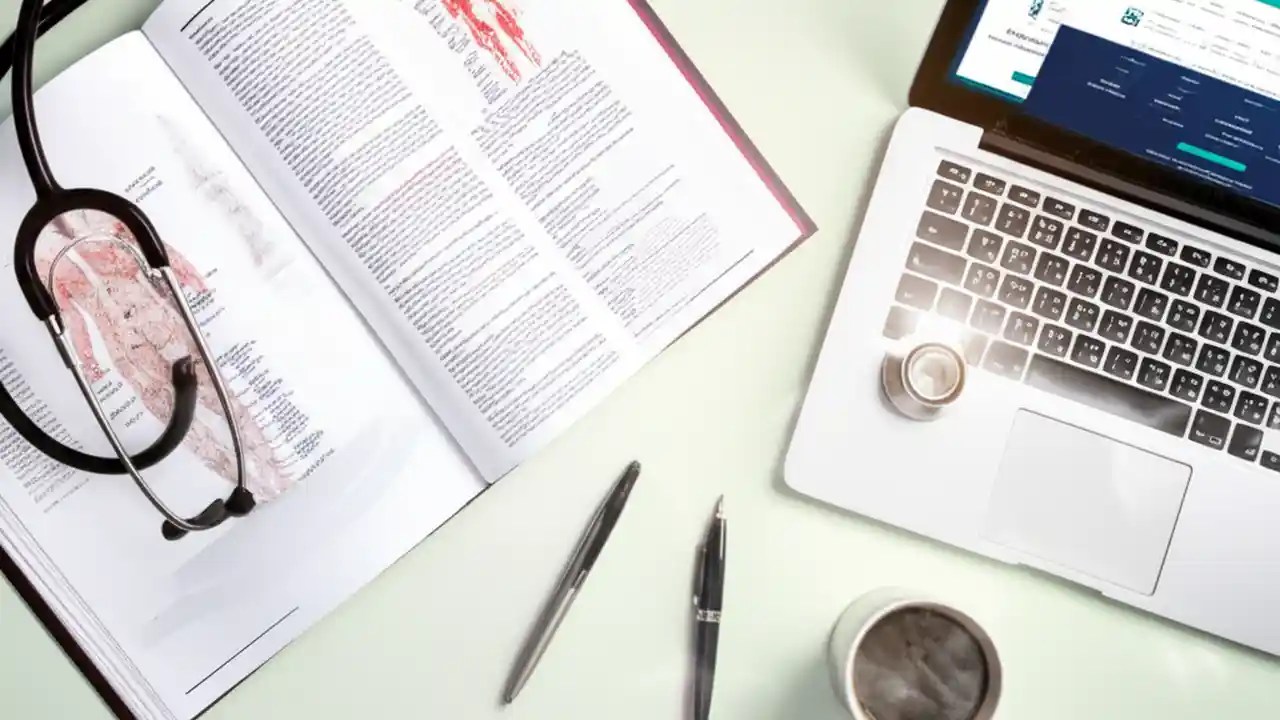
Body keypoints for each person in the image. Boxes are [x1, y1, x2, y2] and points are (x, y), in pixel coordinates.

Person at [34, 209, 292, 501]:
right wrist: (87, 358)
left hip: (158, 326)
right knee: (184, 417)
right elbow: (70, 315)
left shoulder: (94, 217)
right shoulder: (47, 249)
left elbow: (154, 248)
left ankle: (274, 477)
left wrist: (184, 269)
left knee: (216, 398)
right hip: (133, 346)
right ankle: (254, 487)